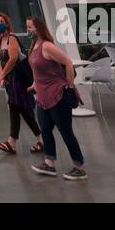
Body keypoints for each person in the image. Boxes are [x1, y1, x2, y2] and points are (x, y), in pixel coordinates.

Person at [26, 16, 87, 181]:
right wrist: (34, 84)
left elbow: (68, 63)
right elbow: (37, 71)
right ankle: (49, 163)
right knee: (45, 130)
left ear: (38, 28)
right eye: (27, 27)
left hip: (57, 95)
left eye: (30, 27)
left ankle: (79, 167)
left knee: (65, 131)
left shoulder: (47, 46)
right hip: (42, 97)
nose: (28, 30)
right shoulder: (34, 46)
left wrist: (70, 87)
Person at [0, 12, 41, 156]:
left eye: (1, 21)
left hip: (18, 78)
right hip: (9, 80)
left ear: (7, 23)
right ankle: (38, 140)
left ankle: (12, 142)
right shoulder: (0, 39)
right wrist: (2, 75)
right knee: (21, 109)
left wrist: (3, 74)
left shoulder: (12, 39)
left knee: (18, 107)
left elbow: (13, 58)